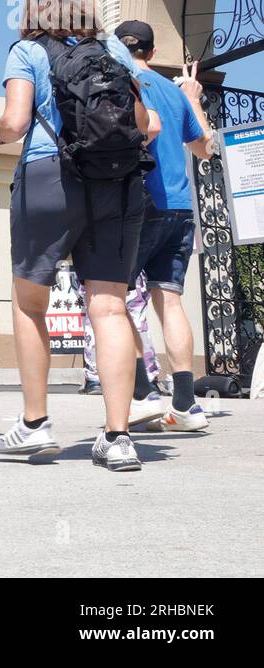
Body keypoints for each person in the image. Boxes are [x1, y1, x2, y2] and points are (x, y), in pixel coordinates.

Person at [0, 0, 155, 471]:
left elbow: (16, 122)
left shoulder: (28, 51)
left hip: (48, 176)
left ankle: (36, 425)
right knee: (108, 307)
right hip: (116, 182)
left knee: (29, 302)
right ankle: (118, 435)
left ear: (35, 4)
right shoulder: (114, 49)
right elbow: (146, 125)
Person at [116, 21, 215, 430]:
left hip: (139, 204)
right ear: (153, 53)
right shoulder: (174, 93)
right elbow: (206, 149)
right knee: (169, 301)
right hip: (179, 207)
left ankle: (142, 394)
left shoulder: (118, 81)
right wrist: (192, 98)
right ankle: (187, 404)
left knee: (112, 298)